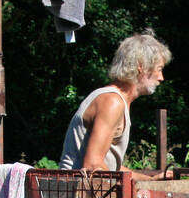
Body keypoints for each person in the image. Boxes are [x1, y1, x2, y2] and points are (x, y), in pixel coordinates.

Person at [59, 29, 173, 179]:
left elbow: (113, 168)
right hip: (72, 195)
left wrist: (150, 181)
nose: (161, 77)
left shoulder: (117, 100)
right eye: (159, 69)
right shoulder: (112, 102)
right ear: (141, 66)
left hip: (84, 192)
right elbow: (93, 166)